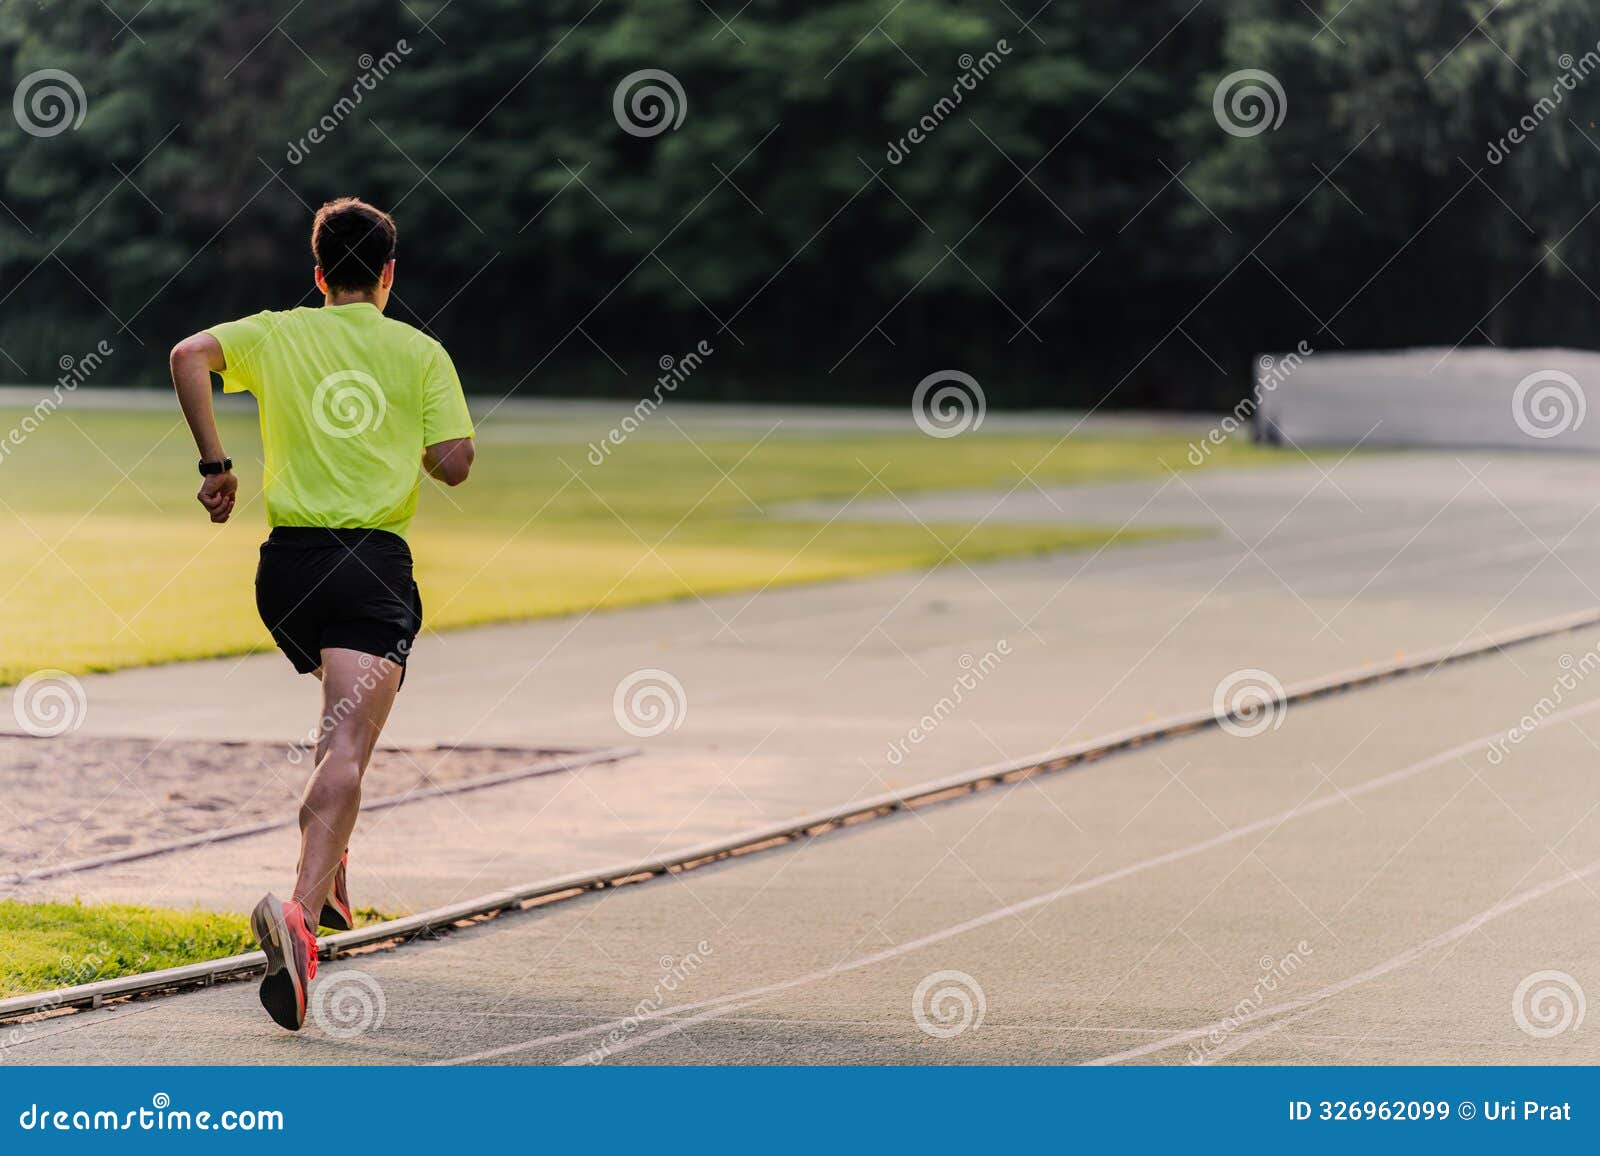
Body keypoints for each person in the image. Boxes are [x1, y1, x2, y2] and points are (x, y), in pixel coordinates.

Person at [168, 197, 475, 1031]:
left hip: (287, 570)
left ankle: (331, 873)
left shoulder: (276, 332)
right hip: (370, 564)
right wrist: (412, 433)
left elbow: (189, 353)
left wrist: (217, 465)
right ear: (386, 275)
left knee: (336, 713)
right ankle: (299, 923)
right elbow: (454, 464)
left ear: (317, 275)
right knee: (348, 746)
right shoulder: (419, 350)